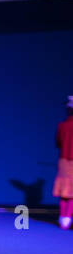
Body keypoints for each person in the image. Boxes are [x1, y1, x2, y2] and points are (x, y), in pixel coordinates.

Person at [56, 98, 73, 230]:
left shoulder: (62, 125)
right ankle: (66, 218)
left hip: (63, 161)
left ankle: (63, 217)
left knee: (64, 191)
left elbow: (58, 143)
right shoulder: (63, 125)